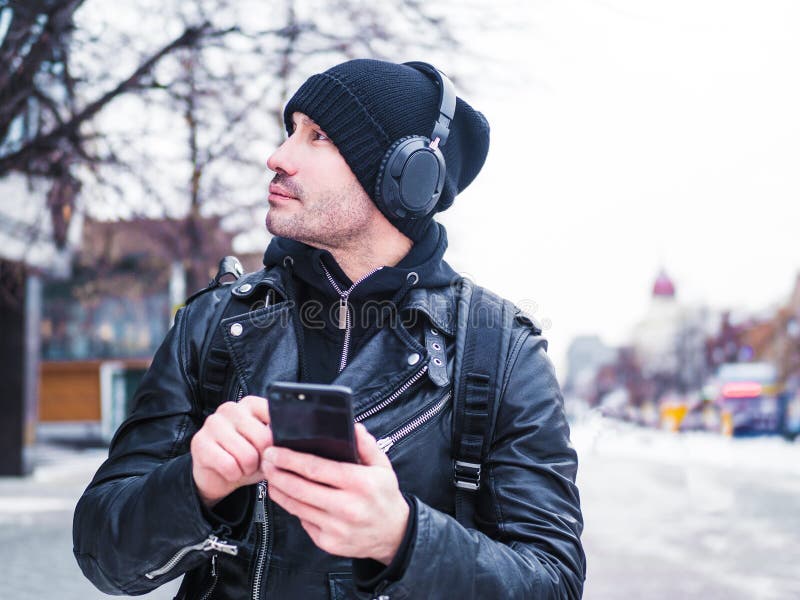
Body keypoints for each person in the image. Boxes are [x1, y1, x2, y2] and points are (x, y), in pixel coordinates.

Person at [73, 58, 586, 599]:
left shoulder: (502, 352)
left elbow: (551, 581)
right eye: (290, 130)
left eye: (318, 137)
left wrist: (405, 540)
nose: (278, 157)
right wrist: (197, 486)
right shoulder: (214, 324)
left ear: (407, 176)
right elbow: (101, 553)